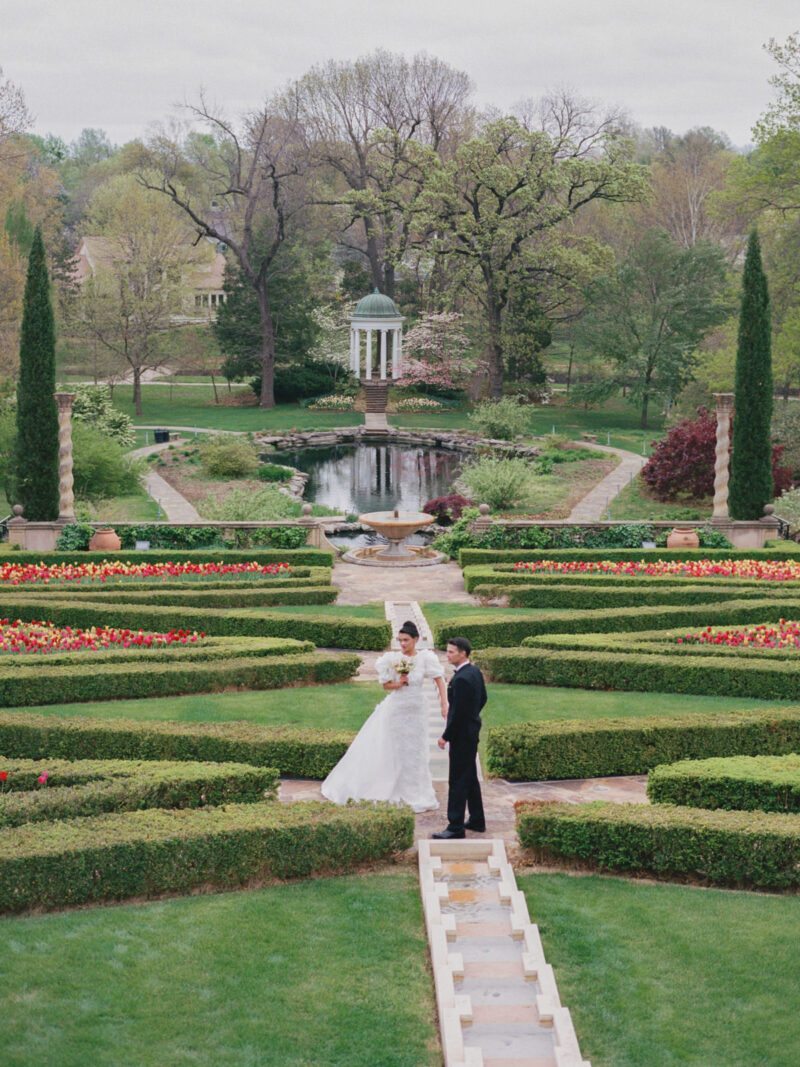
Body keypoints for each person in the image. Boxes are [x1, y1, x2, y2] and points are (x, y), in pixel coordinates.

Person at [321, 620, 447, 813]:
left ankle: (416, 791)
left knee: (415, 751)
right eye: (400, 640)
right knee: (394, 749)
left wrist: (444, 703)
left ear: (416, 639)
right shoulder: (391, 659)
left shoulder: (425, 658)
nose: (402, 644)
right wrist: (400, 683)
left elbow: (439, 679)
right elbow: (385, 685)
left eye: (406, 640)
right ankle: (390, 787)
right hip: (396, 709)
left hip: (416, 711)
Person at [432, 636, 486, 839]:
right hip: (471, 731)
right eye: (447, 651)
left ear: (463, 653)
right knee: (470, 777)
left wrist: (445, 736)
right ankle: (477, 820)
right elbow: (483, 699)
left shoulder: (462, 678)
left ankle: (455, 826)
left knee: (457, 780)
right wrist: (473, 716)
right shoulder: (475, 671)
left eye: (451, 652)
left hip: (462, 736)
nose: (448, 655)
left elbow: (457, 713)